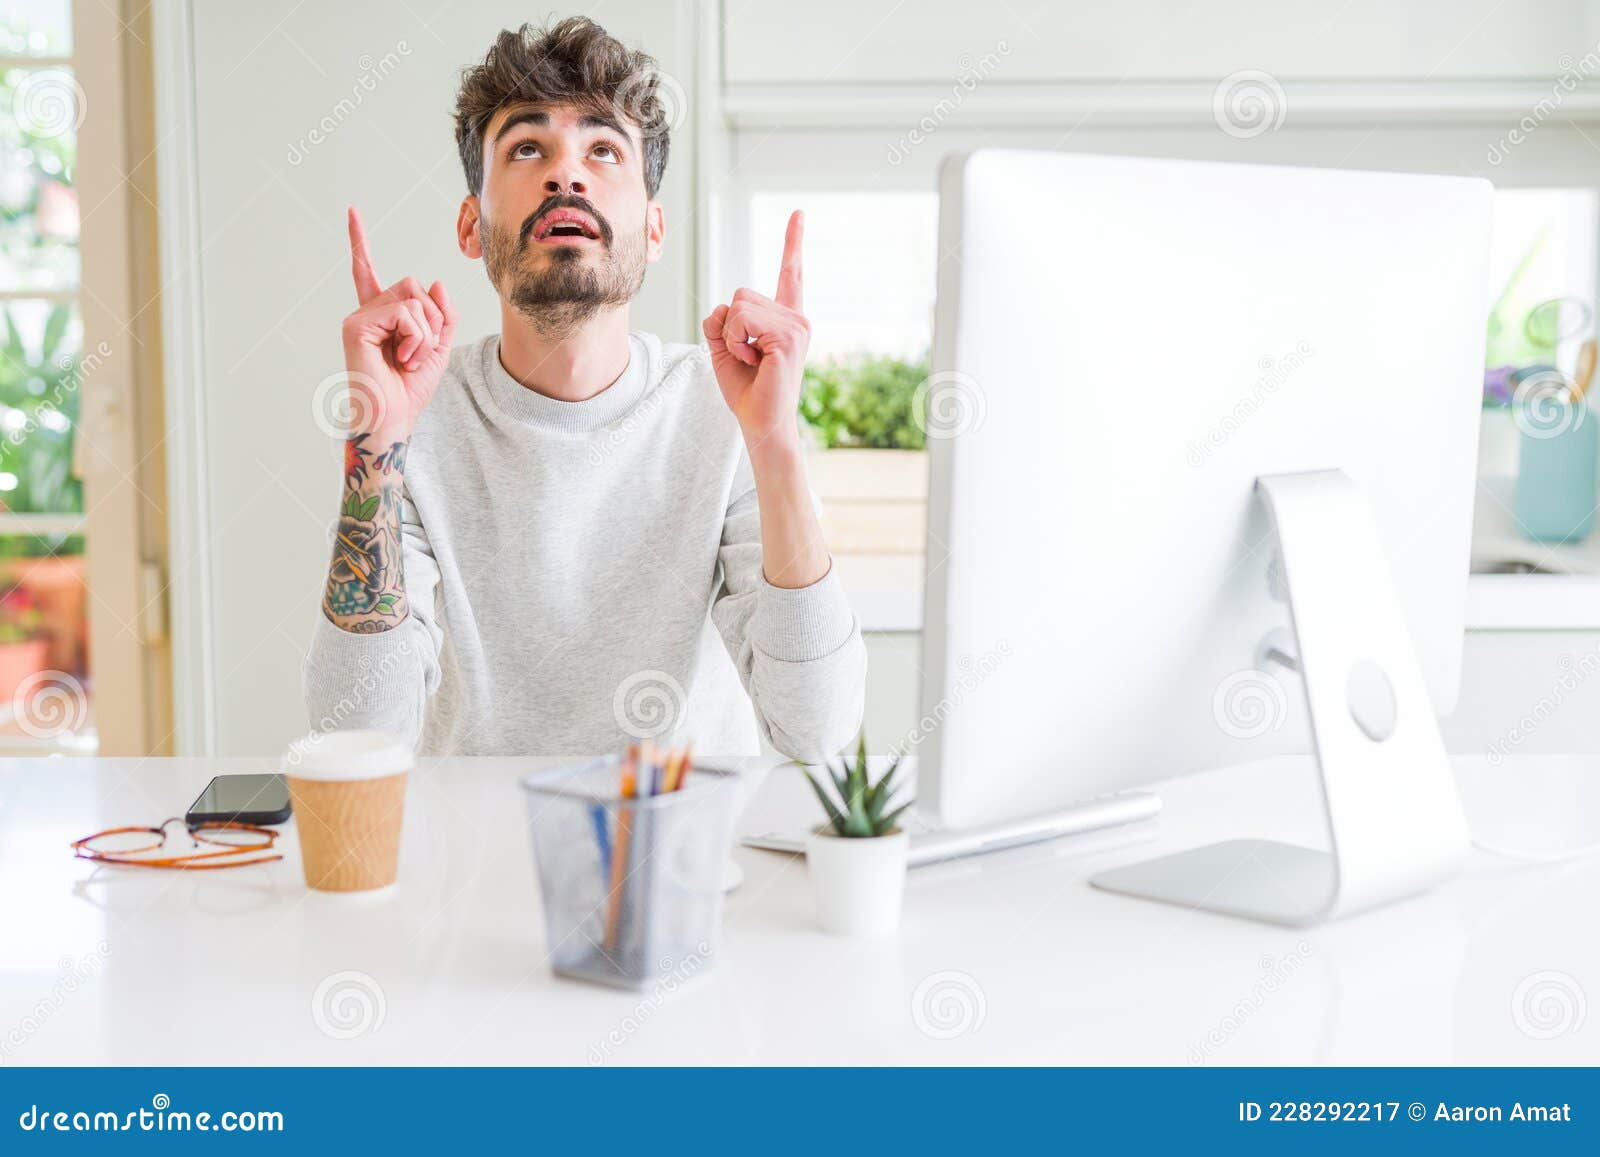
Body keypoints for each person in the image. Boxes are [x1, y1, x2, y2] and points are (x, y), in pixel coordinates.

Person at [301, 17, 866, 759]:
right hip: (476, 861)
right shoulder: (417, 418)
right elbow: (354, 733)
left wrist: (774, 441)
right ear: (471, 225)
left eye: (604, 150)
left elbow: (816, 730)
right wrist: (377, 441)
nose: (566, 174)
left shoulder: (722, 410)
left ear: (654, 230)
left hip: (686, 855)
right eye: (527, 148)